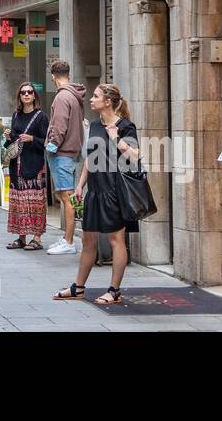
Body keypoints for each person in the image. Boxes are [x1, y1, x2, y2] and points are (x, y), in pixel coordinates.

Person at [54, 84, 140, 306]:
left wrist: (116, 139)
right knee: (88, 239)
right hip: (95, 190)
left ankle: (114, 291)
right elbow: (90, 159)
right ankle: (78, 288)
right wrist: (80, 185)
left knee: (116, 239)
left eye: (95, 96)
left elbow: (134, 157)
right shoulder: (93, 125)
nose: (91, 99)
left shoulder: (125, 126)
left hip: (114, 191)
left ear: (108, 101)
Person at [44, 61, 86, 255]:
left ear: (53, 76)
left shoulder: (62, 97)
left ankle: (69, 241)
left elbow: (59, 125)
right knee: (66, 195)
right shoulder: (75, 95)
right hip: (70, 151)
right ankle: (67, 238)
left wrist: (52, 145)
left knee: (66, 196)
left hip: (62, 152)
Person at [4, 82, 50, 251]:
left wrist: (32, 139)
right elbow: (12, 142)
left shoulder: (41, 117)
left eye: (30, 92)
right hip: (16, 166)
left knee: (35, 202)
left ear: (34, 96)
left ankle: (37, 238)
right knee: (19, 202)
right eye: (23, 92)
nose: (26, 95)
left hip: (34, 165)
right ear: (19, 96)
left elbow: (47, 142)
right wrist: (9, 137)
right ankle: (21, 237)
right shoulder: (16, 115)